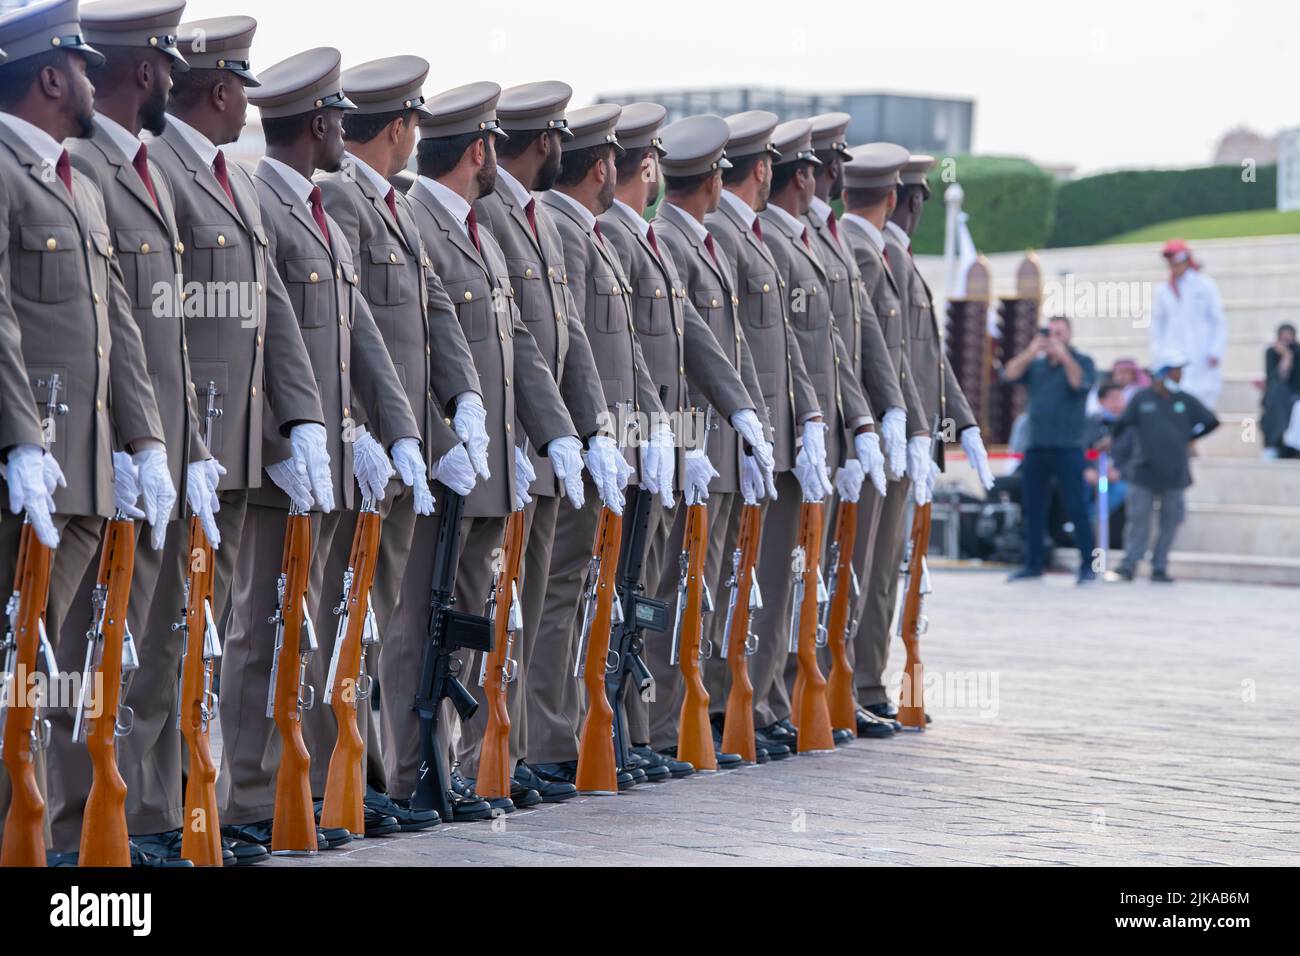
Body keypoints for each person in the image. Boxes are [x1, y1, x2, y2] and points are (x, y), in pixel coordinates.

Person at [218, 46, 425, 851]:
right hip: (282, 459)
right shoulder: (266, 206)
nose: (348, 130)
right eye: (339, 117)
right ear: (317, 124)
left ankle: (297, 788)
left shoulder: (311, 208)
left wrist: (388, 430)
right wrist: (283, 438)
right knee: (258, 628)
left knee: (314, 626)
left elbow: (357, 338)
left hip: (331, 459)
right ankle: (242, 797)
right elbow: (255, 339)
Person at [48, 0, 227, 868]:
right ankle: (73, 828)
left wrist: (177, 443)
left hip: (160, 445)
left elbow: (169, 328)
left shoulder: (148, 170)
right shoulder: (77, 166)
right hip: (103, 450)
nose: (172, 77)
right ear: (143, 70)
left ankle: (140, 818)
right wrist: (133, 438)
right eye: (163, 63)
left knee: (155, 644)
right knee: (87, 648)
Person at [0, 0, 170, 864]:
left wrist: (145, 443)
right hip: (24, 475)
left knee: (38, 669)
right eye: (80, 66)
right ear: (48, 77)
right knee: (9, 664)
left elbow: (120, 331)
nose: (95, 81)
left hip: (87, 477)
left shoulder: (78, 183)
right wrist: (21, 440)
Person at [402, 81, 581, 812]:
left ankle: (466, 768)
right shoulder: (418, 222)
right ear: (479, 149)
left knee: (476, 618)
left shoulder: (478, 230)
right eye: (491, 147)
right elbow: (406, 352)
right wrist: (444, 438)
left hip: (492, 463)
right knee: (421, 622)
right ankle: (414, 774)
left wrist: (563, 432)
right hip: (445, 465)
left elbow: (519, 348)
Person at [311, 53, 471, 835]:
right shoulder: (341, 200)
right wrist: (357, 434)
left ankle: (368, 775)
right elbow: (339, 340)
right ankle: (331, 779)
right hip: (360, 456)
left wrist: (459, 406)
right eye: (411, 125)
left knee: (373, 623)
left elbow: (433, 313)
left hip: (402, 450)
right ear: (400, 126)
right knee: (342, 622)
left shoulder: (395, 208)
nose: (413, 141)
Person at [599, 103, 765, 774]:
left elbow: (704, 345)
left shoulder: (658, 240)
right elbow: (627, 354)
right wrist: (676, 435)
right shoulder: (636, 237)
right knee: (635, 588)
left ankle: (645, 732)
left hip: (672, 444)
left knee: (660, 589)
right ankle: (631, 731)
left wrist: (747, 416)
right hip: (640, 442)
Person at [473, 80, 611, 804]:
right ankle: (497, 751)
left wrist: (592, 431)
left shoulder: (542, 222)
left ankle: (522, 746)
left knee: (539, 600)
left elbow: (570, 338)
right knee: (504, 603)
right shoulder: (489, 216)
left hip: (550, 446)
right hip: (510, 449)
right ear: (549, 142)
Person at [652, 114, 780, 760]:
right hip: (689, 446)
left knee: (705, 585)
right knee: (680, 584)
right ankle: (664, 724)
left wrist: (751, 418)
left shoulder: (701, 240)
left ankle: (685, 720)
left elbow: (731, 350)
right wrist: (688, 439)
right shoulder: (671, 242)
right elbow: (672, 356)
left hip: (720, 446)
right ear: (711, 179)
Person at [707, 110, 823, 758]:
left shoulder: (751, 235)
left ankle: (759, 700)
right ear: (765, 169)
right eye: (803, 168)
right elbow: (729, 348)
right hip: (732, 440)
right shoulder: (724, 233)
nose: (809, 181)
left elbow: (793, 348)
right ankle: (725, 702)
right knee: (737, 576)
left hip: (767, 435)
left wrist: (810, 418)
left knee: (778, 575)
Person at [837, 142, 930, 737]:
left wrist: (940, 425)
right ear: (900, 199)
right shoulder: (868, 257)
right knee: (861, 569)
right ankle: (856, 680)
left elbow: (921, 359)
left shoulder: (888, 255)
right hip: (867, 435)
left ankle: (865, 680)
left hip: (889, 432)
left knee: (880, 569)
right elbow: (869, 356)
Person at [1002, 316, 1098, 584]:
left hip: (1069, 446)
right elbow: (1008, 374)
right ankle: (1033, 564)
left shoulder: (1083, 361)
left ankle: (1088, 566)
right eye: (1050, 332)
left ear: (1069, 335)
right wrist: (1031, 350)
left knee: (1076, 506)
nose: (1053, 337)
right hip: (1036, 445)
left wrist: (1065, 357)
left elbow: (1080, 384)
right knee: (1033, 508)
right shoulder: (1037, 365)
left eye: (1059, 332)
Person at [1112, 350, 1219, 582]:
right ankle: (1129, 564)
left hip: (1175, 471)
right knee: (1138, 519)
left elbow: (1212, 421)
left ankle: (1159, 565)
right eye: (1175, 370)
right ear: (1162, 373)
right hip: (1144, 470)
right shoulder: (1142, 398)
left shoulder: (1185, 400)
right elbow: (1121, 426)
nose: (1179, 375)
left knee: (1170, 520)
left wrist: (1189, 437)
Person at [1150, 239, 1226, 410]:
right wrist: (1158, 353)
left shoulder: (1205, 285)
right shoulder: (1163, 290)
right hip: (1173, 354)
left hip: (1201, 354)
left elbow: (1218, 321)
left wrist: (1216, 350)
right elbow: (1157, 325)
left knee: (1202, 402)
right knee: (1175, 403)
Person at [1082, 379, 1131, 546]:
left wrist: (1120, 472)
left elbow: (1137, 456)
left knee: (1122, 490)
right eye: (1113, 399)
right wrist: (1087, 470)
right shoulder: (1089, 424)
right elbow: (1082, 450)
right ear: (1102, 401)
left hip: (1118, 477)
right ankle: (1078, 527)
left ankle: (1091, 521)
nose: (1118, 403)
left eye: (1121, 398)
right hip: (1093, 474)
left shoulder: (1130, 426)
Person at [1261, 322, 1300, 458]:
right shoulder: (1271, 352)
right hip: (1277, 397)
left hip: (1295, 396)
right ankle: (1273, 446)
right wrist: (1286, 357)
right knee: (1276, 393)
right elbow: (1275, 379)